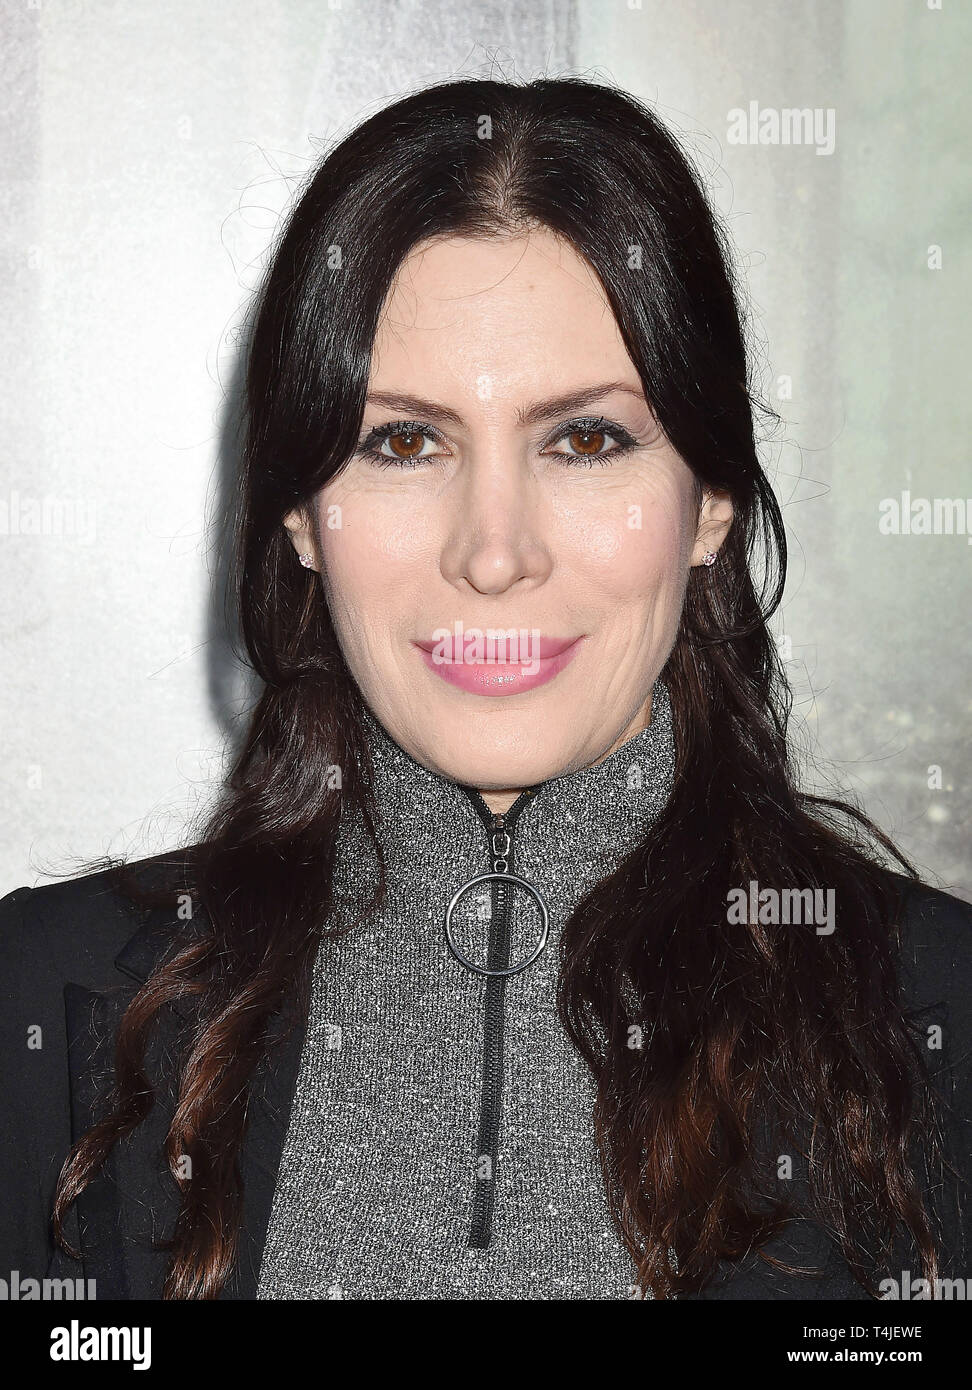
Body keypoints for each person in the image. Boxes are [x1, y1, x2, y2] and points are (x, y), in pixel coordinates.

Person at [1, 76, 968, 1302]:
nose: (494, 550)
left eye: (585, 440)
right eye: (404, 443)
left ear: (710, 501)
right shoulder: (38, 1004)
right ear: (302, 513)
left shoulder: (940, 1014)